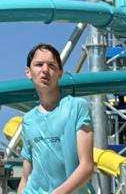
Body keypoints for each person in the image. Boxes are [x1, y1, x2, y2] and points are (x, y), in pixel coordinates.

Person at [17, 43, 95, 194]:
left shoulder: (77, 107)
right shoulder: (28, 120)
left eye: (51, 66)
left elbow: (86, 167)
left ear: (60, 73)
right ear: (28, 72)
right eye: (39, 64)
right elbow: (26, 177)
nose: (45, 70)